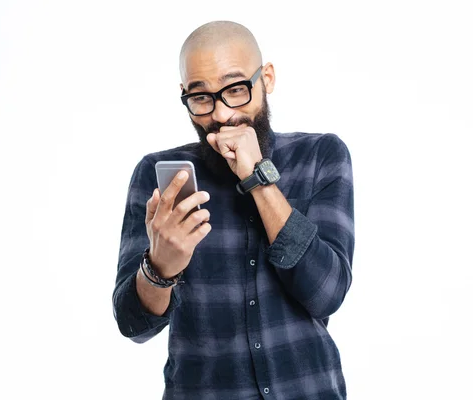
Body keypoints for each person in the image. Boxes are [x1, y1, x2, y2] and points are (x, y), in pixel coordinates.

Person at [112, 20, 355, 400]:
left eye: (236, 90)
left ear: (267, 79)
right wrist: (160, 267)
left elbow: (328, 292)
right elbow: (133, 325)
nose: (222, 114)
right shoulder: (158, 178)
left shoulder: (321, 157)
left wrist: (259, 178)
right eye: (202, 97)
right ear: (185, 96)